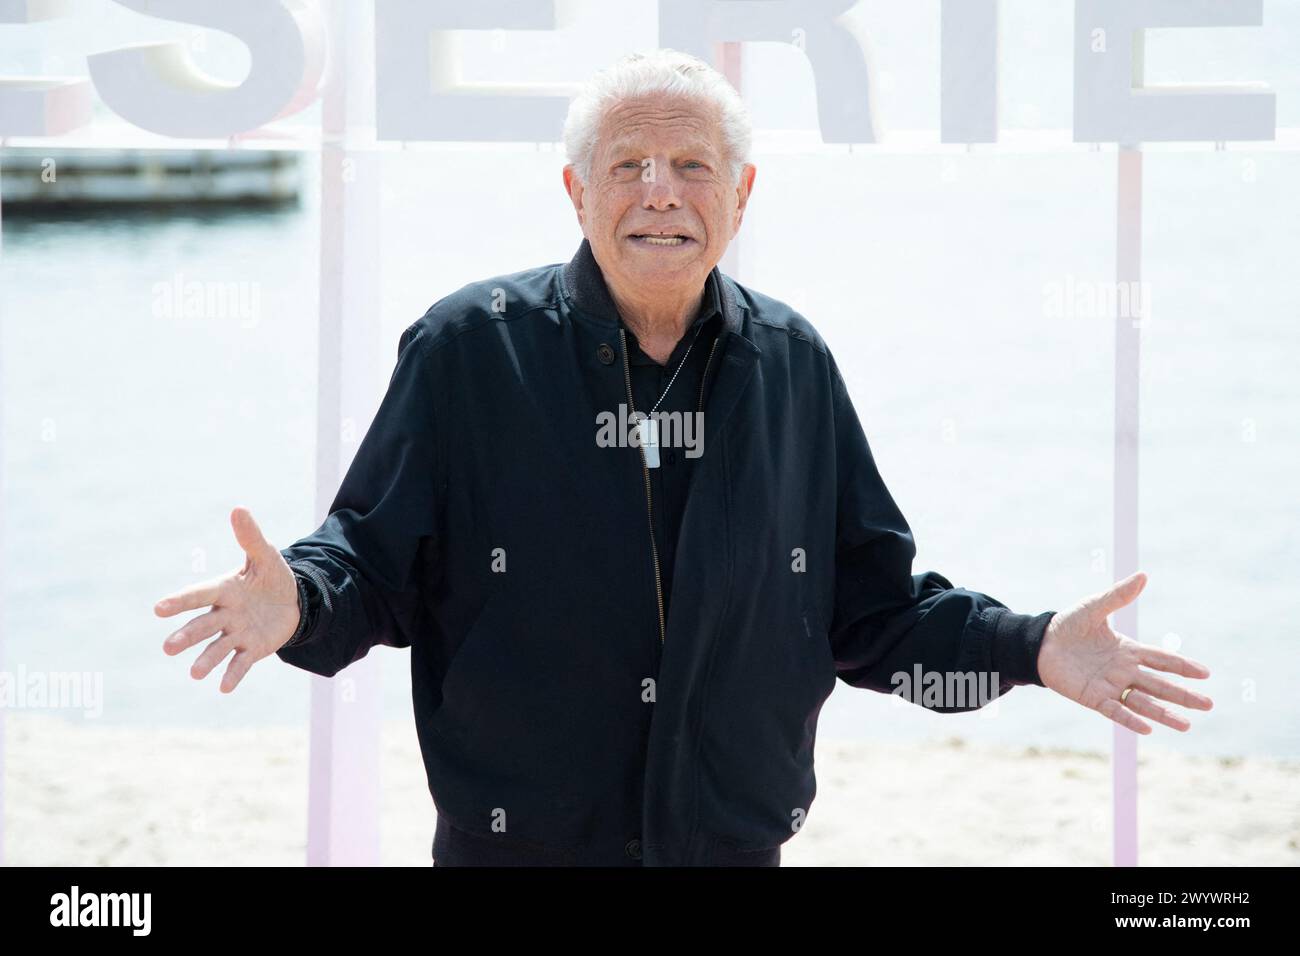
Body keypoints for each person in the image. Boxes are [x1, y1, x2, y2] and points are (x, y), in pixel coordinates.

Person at [154, 49, 1213, 867]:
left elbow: (874, 610)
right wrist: (293, 598)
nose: (660, 192)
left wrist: (1031, 648)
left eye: (692, 166)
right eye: (628, 167)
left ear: (741, 193)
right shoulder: (467, 349)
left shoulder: (794, 364)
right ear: (576, 192)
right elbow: (370, 566)